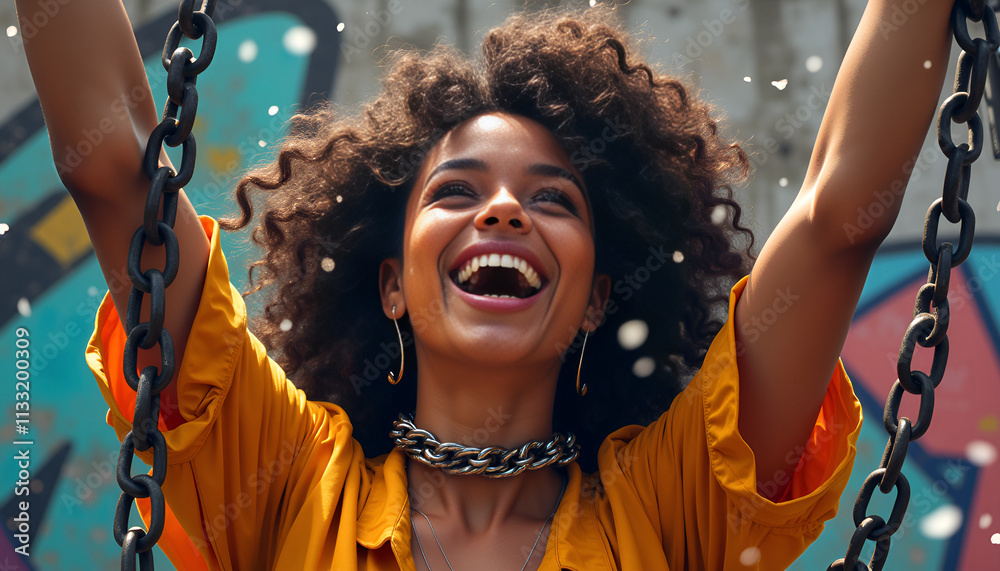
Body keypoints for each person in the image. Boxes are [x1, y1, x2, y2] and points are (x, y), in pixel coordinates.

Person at [17, 0, 955, 569]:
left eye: (553, 200)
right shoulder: (284, 478)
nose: (502, 213)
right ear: (390, 283)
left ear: (593, 298)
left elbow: (842, 216)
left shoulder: (673, 507)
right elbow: (113, 165)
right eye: (457, 191)